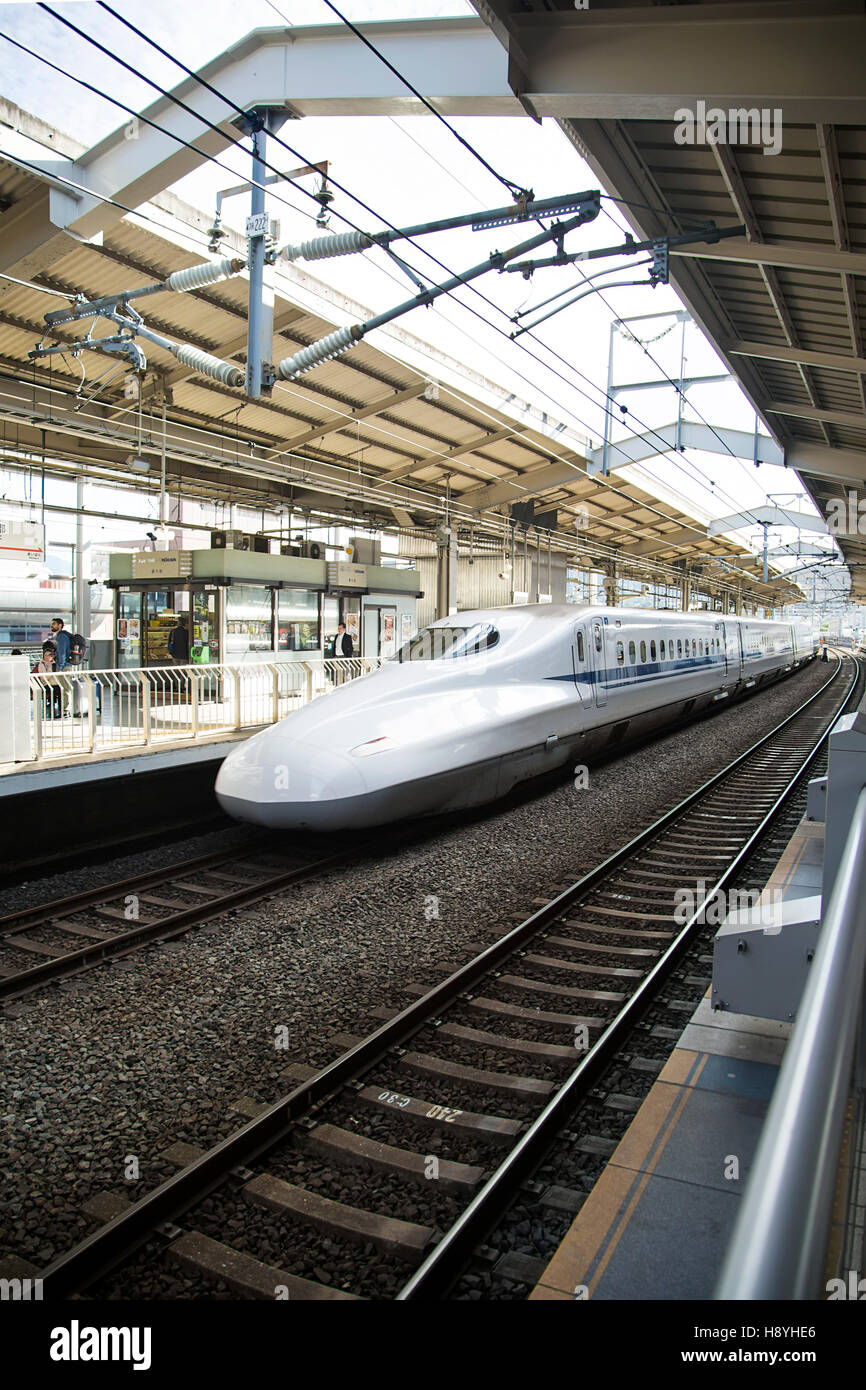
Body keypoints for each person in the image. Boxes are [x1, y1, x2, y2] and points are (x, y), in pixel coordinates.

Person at [33, 641, 61, 717]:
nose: (47, 657)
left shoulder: (55, 664)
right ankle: (51, 711)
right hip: (46, 684)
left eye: (49, 655)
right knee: (52, 691)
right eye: (46, 655)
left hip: (55, 684)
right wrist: (50, 669)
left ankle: (61, 711)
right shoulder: (42, 664)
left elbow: (58, 675)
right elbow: (44, 677)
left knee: (60, 691)